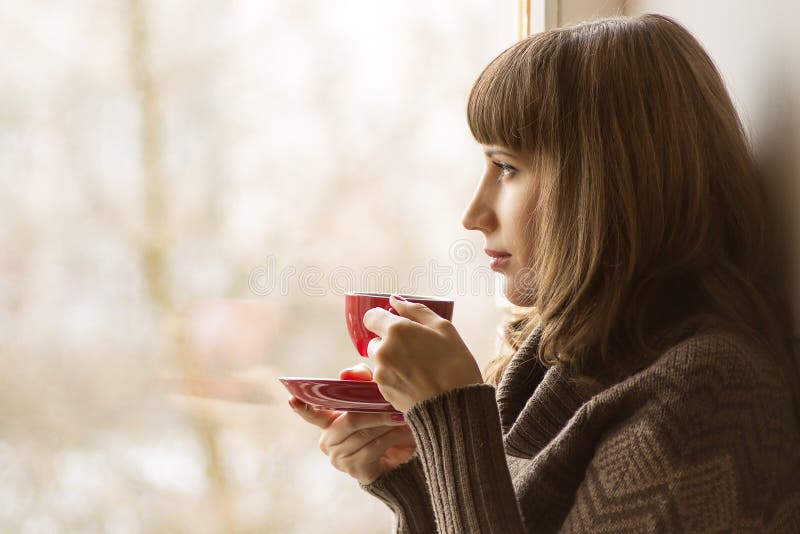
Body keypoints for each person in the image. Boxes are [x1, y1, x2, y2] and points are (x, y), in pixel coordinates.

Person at [289, 13, 800, 532]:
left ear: (604, 185)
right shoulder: (542, 371)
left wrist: (452, 419)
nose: (473, 216)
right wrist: (421, 478)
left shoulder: (709, 396)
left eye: (506, 168)